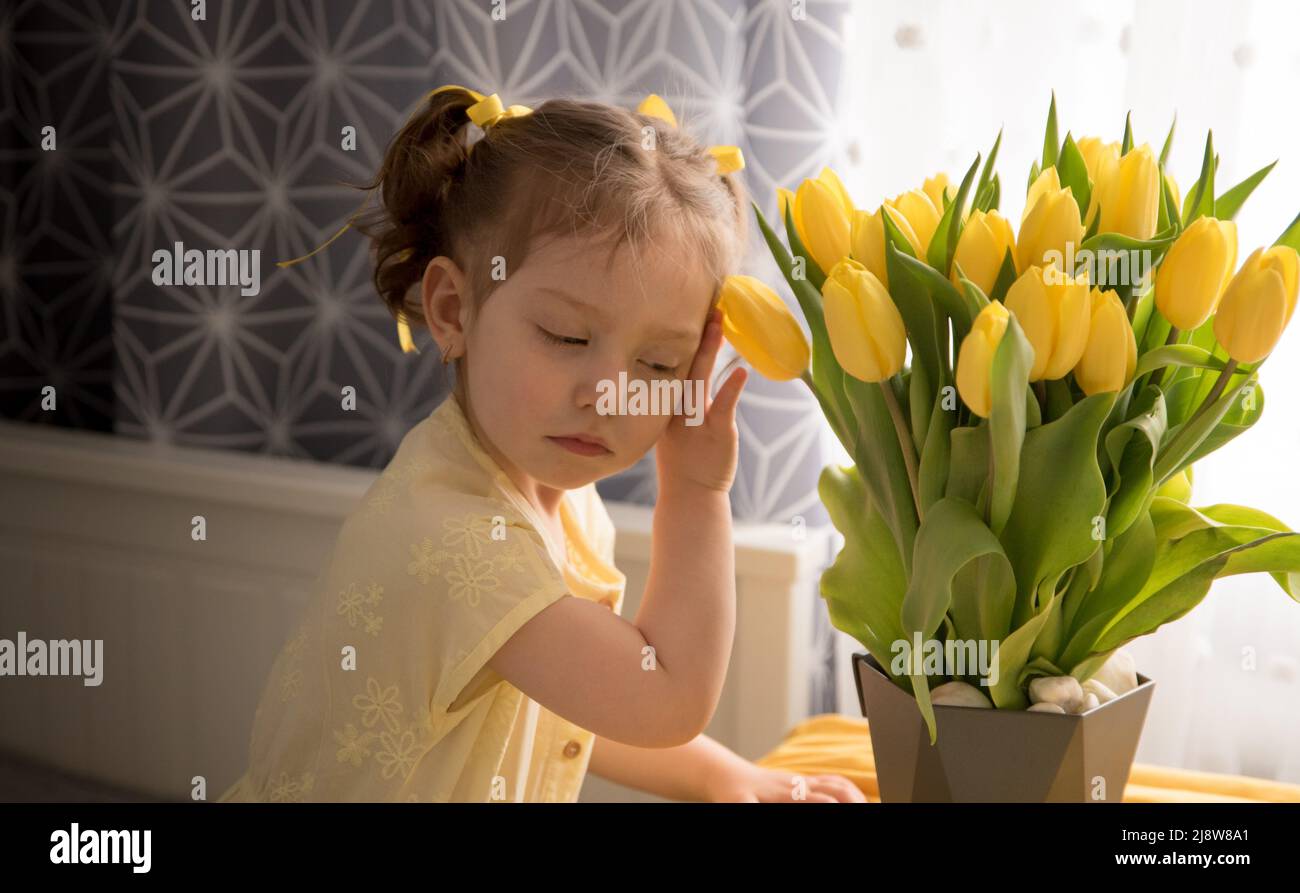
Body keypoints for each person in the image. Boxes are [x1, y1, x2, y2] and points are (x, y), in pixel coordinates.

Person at [218, 85, 864, 803]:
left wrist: (728, 777)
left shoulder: (558, 498)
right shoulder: (458, 536)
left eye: (657, 364)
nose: (607, 391)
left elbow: (569, 696)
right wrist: (696, 490)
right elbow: (664, 698)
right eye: (565, 336)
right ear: (453, 309)